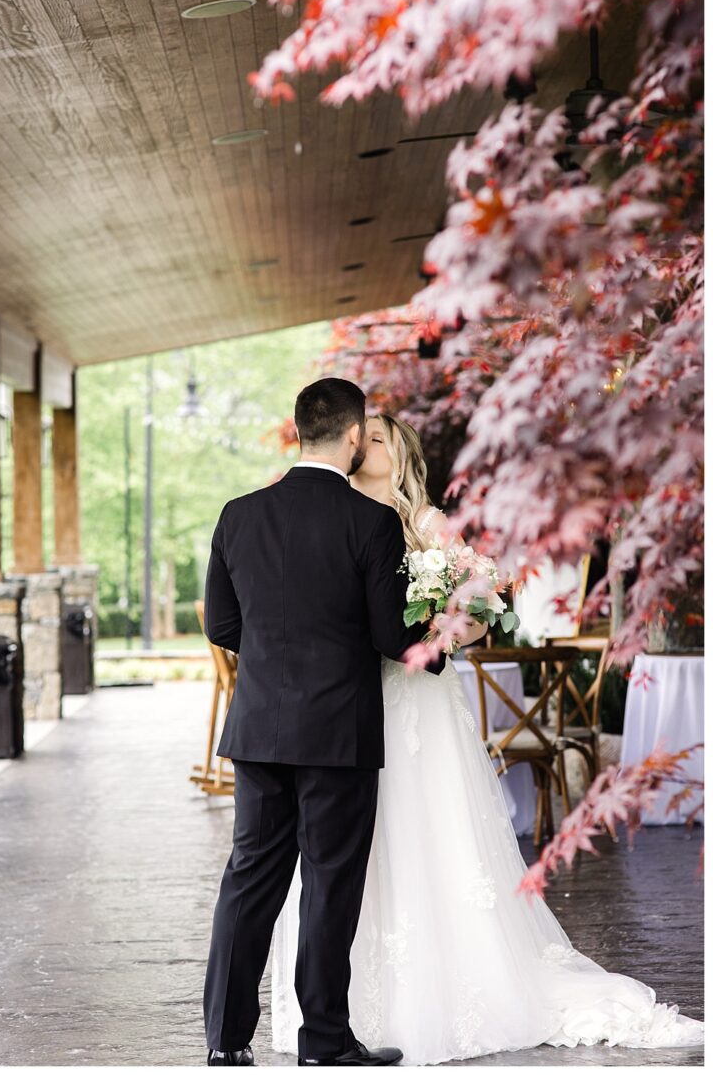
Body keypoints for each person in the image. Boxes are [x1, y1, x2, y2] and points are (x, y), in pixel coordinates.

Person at [269, 413, 704, 1065]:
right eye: (361, 437)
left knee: (425, 828)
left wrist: (446, 632)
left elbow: (481, 606)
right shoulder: (331, 513)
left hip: (418, 699)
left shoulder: (430, 527)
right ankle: (340, 1009)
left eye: (378, 437)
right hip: (353, 701)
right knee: (349, 847)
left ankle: (442, 997)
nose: (364, 445)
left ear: (401, 453)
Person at [202, 377, 435, 1067]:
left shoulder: (238, 515)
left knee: (250, 879)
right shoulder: (369, 522)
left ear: (297, 429)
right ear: (356, 436)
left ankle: (225, 1040)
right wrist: (446, 634)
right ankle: (323, 1042)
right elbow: (395, 637)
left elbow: (221, 624)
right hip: (339, 733)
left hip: (262, 729)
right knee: (330, 889)